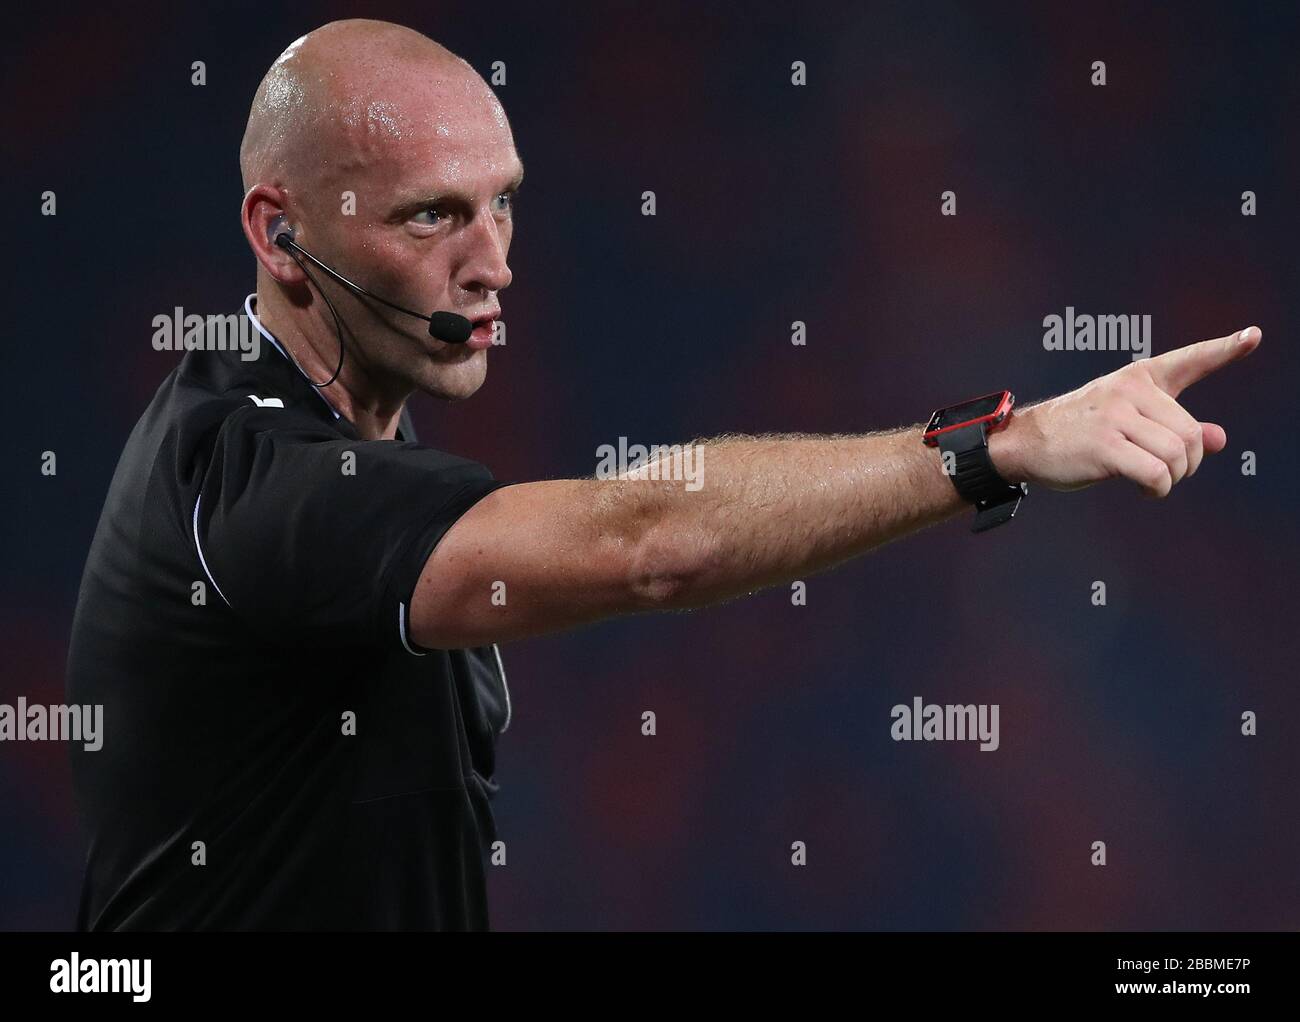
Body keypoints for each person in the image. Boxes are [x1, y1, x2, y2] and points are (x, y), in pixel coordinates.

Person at [66, 18, 1261, 931]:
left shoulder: (355, 431)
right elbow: (647, 543)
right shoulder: (245, 471)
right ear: (280, 234)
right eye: (433, 219)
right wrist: (992, 447)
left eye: (505, 206)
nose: (494, 266)